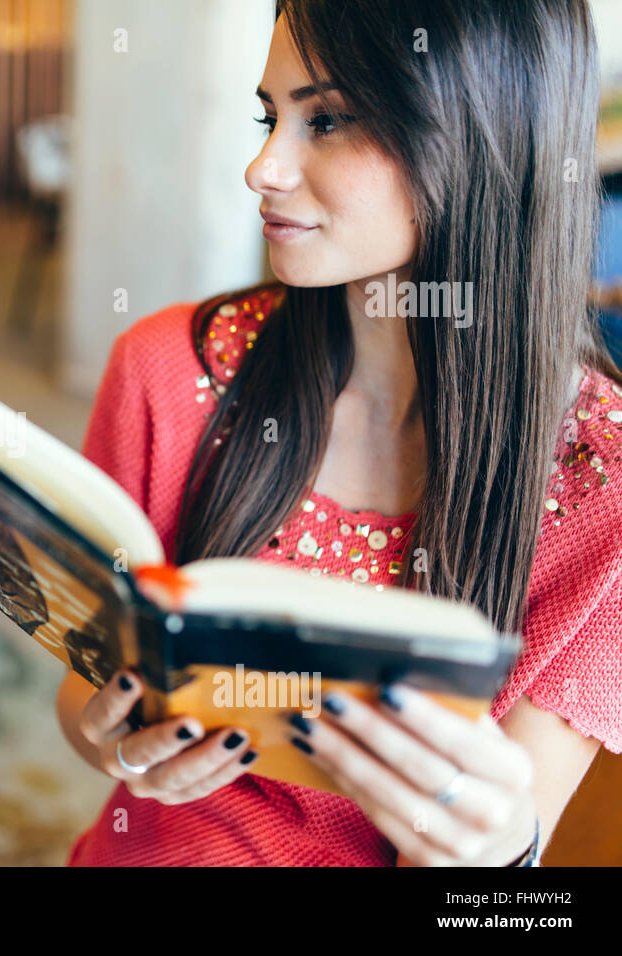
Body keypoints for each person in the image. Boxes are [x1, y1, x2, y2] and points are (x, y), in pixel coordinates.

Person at [60, 0, 621, 866]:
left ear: (481, 135)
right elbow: (82, 690)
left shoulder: (604, 488)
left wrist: (505, 848)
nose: (262, 167)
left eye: (326, 120)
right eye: (269, 115)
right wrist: (111, 743)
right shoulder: (169, 371)